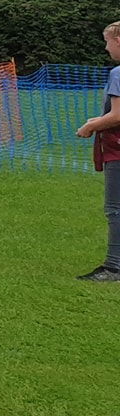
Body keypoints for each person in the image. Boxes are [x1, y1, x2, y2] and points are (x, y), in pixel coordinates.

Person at [72, 21, 120, 282]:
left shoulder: (118, 73)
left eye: (108, 41)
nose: (105, 47)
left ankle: (114, 267)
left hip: (118, 150)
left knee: (115, 209)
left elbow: (118, 115)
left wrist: (91, 126)